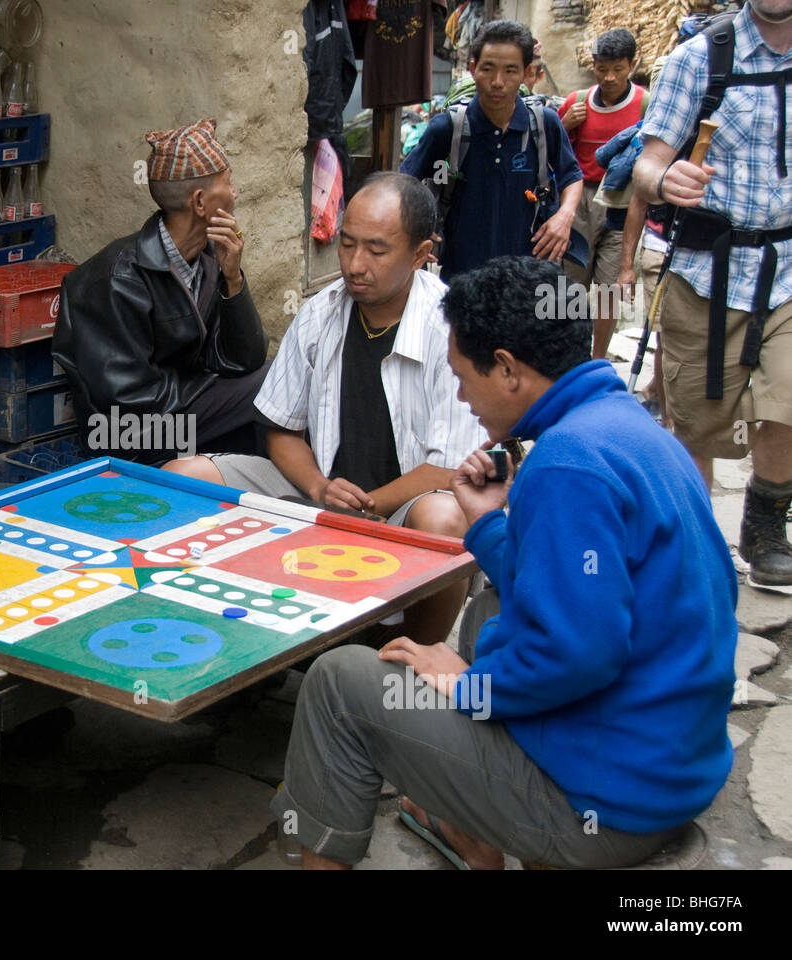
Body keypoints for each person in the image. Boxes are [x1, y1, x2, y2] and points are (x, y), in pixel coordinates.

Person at [270, 256, 737, 870]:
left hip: (604, 807)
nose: (462, 394)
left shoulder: (567, 463)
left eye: (464, 376)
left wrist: (469, 684)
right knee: (490, 608)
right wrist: (490, 523)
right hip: (672, 772)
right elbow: (587, 594)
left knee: (340, 683)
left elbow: (581, 652)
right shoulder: (631, 427)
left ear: (509, 370)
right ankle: (479, 835)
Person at [167, 173, 486, 646]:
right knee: (183, 474)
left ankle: (415, 657)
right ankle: (220, 637)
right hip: (321, 494)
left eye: (377, 251)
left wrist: (369, 504)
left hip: (398, 509)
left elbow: (448, 469)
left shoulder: (452, 327)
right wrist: (319, 485)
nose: (356, 265)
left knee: (443, 518)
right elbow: (280, 429)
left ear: (422, 254)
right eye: (347, 244)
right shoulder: (321, 312)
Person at [632, 0, 792, 588]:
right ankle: (698, 548)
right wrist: (666, 178)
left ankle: (767, 523)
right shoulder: (698, 59)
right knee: (696, 422)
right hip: (707, 273)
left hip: (789, 266)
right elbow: (646, 165)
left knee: (789, 400)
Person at [52, 118, 269, 464]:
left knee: (273, 389)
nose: (235, 193)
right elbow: (128, 401)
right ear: (200, 202)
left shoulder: (208, 259)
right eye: (228, 183)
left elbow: (243, 360)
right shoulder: (118, 279)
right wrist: (207, 385)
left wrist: (234, 281)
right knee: (271, 388)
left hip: (179, 414)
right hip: (124, 435)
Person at [402, 20, 583, 281]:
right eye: (488, 69)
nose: (498, 82)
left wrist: (565, 217)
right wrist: (415, 229)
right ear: (473, 69)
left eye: (510, 71)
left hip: (528, 274)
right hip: (463, 276)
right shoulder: (449, 128)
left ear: (526, 73)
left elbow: (571, 175)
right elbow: (404, 182)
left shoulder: (544, 124)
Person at [558, 28, 649, 357]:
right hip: (580, 199)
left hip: (622, 203)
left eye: (618, 68)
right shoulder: (577, 102)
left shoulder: (644, 104)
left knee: (609, 288)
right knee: (570, 284)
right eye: (602, 68)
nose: (610, 77)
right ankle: (569, 356)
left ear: (632, 64)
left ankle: (598, 359)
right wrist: (565, 124)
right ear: (593, 65)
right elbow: (553, 149)